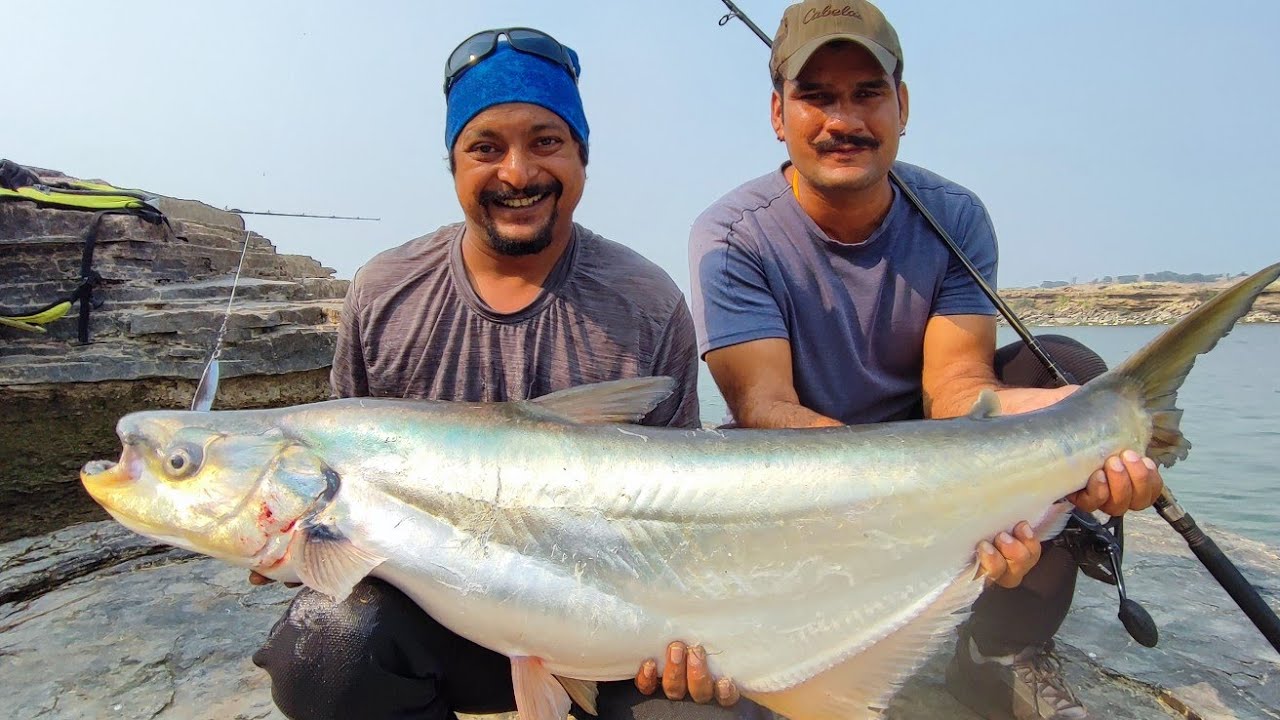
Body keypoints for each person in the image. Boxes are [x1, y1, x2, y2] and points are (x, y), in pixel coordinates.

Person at [250, 27, 752, 720]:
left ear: (582, 155)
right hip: (441, 621)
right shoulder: (384, 294)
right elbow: (347, 497)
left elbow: (675, 524)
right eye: (485, 147)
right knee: (323, 655)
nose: (517, 173)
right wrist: (294, 548)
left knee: (716, 712)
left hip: (611, 629)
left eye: (546, 141)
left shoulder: (647, 302)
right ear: (453, 163)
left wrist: (701, 641)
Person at [687, 2, 1165, 719]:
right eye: (815, 97)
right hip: (796, 473)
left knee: (1063, 369)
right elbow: (765, 408)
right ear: (777, 114)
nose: (842, 121)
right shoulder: (731, 236)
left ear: (902, 105)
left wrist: (1093, 430)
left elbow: (957, 389)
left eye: (866, 94)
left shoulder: (955, 214)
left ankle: (1000, 653)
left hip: (928, 445)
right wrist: (915, 503)